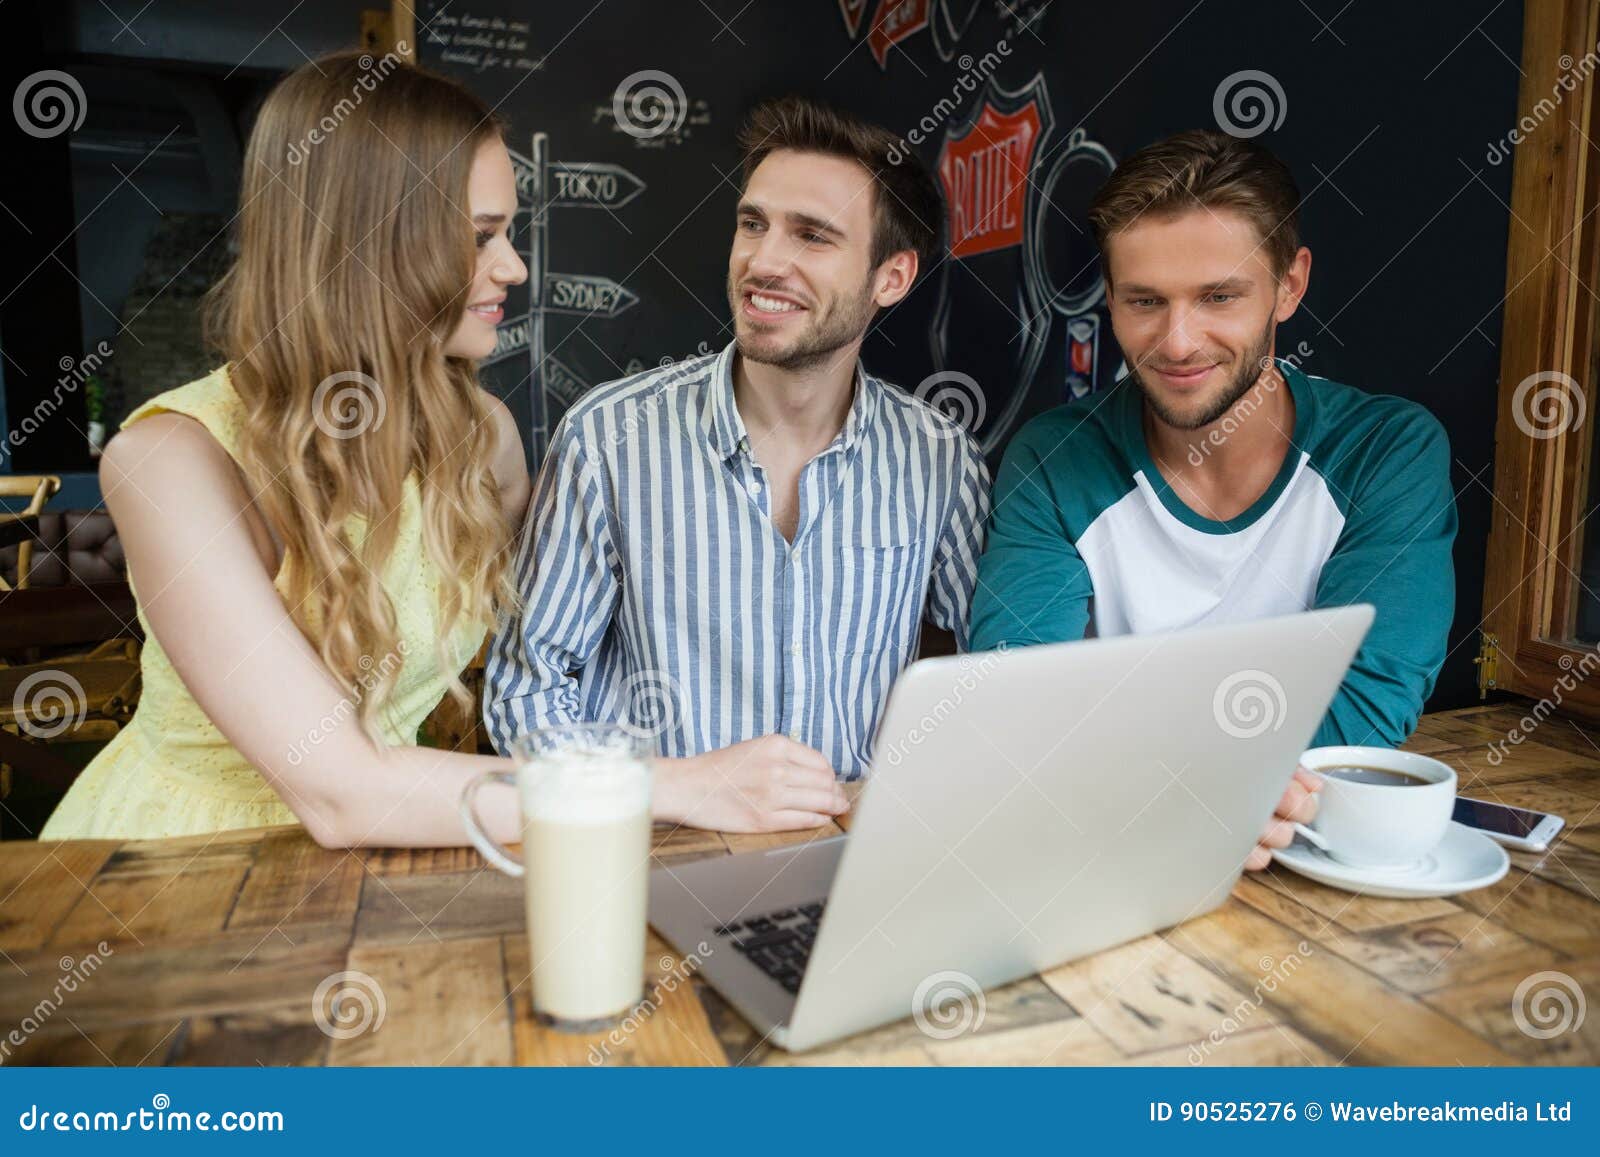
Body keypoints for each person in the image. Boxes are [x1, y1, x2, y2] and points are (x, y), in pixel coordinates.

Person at [42, 52, 533, 847]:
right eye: (480, 237)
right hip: (183, 872)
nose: (512, 267)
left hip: (395, 856)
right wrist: (667, 787)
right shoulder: (170, 457)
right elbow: (342, 792)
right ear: (366, 245)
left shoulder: (483, 439)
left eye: (509, 232)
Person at [484, 96, 990, 833]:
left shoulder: (941, 461)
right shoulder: (607, 438)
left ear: (892, 277)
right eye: (753, 224)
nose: (763, 260)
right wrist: (670, 786)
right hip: (652, 849)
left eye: (812, 236)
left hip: (853, 860)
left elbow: (999, 688)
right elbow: (523, 694)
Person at [969, 129, 1457, 870]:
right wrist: (1201, 794)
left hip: (1300, 858)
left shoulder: (1387, 449)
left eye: (1219, 296)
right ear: (1111, 297)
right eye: (1144, 301)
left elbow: (1367, 698)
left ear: (1289, 286)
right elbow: (1018, 704)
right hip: (1103, 860)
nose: (1178, 340)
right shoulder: (1056, 456)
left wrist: (1167, 784)